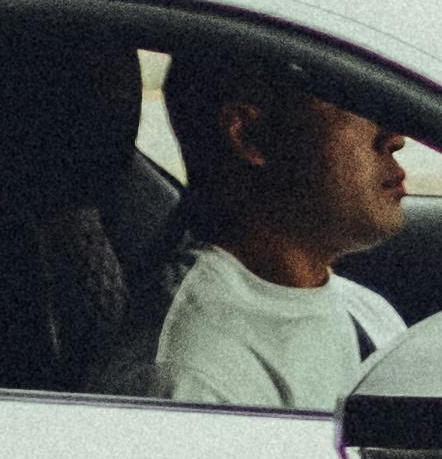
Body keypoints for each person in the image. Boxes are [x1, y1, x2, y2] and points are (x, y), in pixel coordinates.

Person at [100, 44, 413, 409]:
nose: (395, 138)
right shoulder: (191, 376)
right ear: (248, 135)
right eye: (348, 103)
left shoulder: (365, 310)